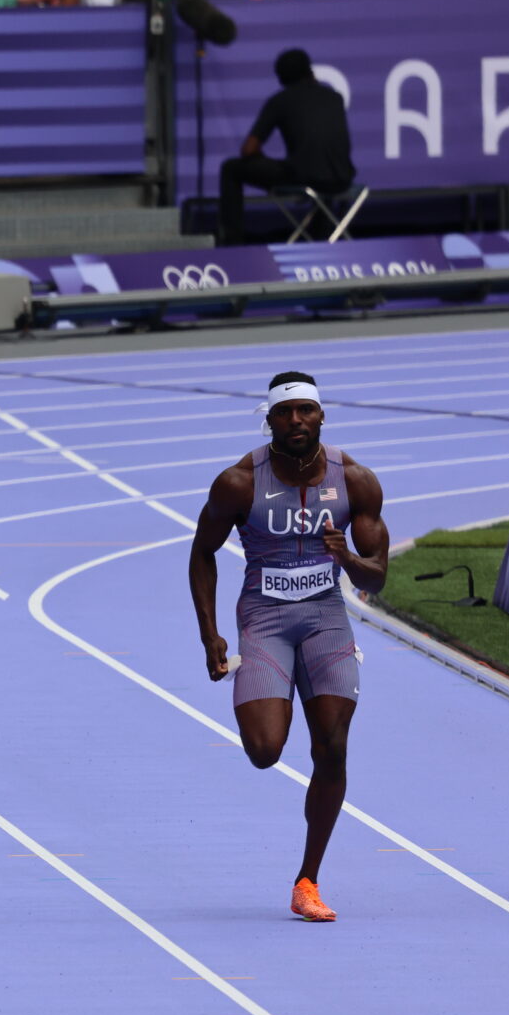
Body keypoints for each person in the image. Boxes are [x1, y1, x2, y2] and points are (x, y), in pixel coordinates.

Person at [188, 373, 388, 923]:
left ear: (322, 416)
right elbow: (201, 553)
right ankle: (268, 697)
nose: (296, 421)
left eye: (306, 411)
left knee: (332, 745)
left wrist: (345, 558)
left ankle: (308, 880)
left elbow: (377, 580)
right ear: (269, 420)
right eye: (284, 413)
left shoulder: (358, 482)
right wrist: (210, 634)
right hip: (264, 617)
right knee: (265, 751)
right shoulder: (237, 483)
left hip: (326, 617)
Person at [219, 48, 353, 247]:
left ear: (281, 79)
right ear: (311, 71)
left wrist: (261, 159)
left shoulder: (280, 101)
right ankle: (322, 239)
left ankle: (232, 243)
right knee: (320, 171)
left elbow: (248, 149)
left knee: (231, 168)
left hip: (305, 179)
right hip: (343, 179)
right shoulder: (335, 98)